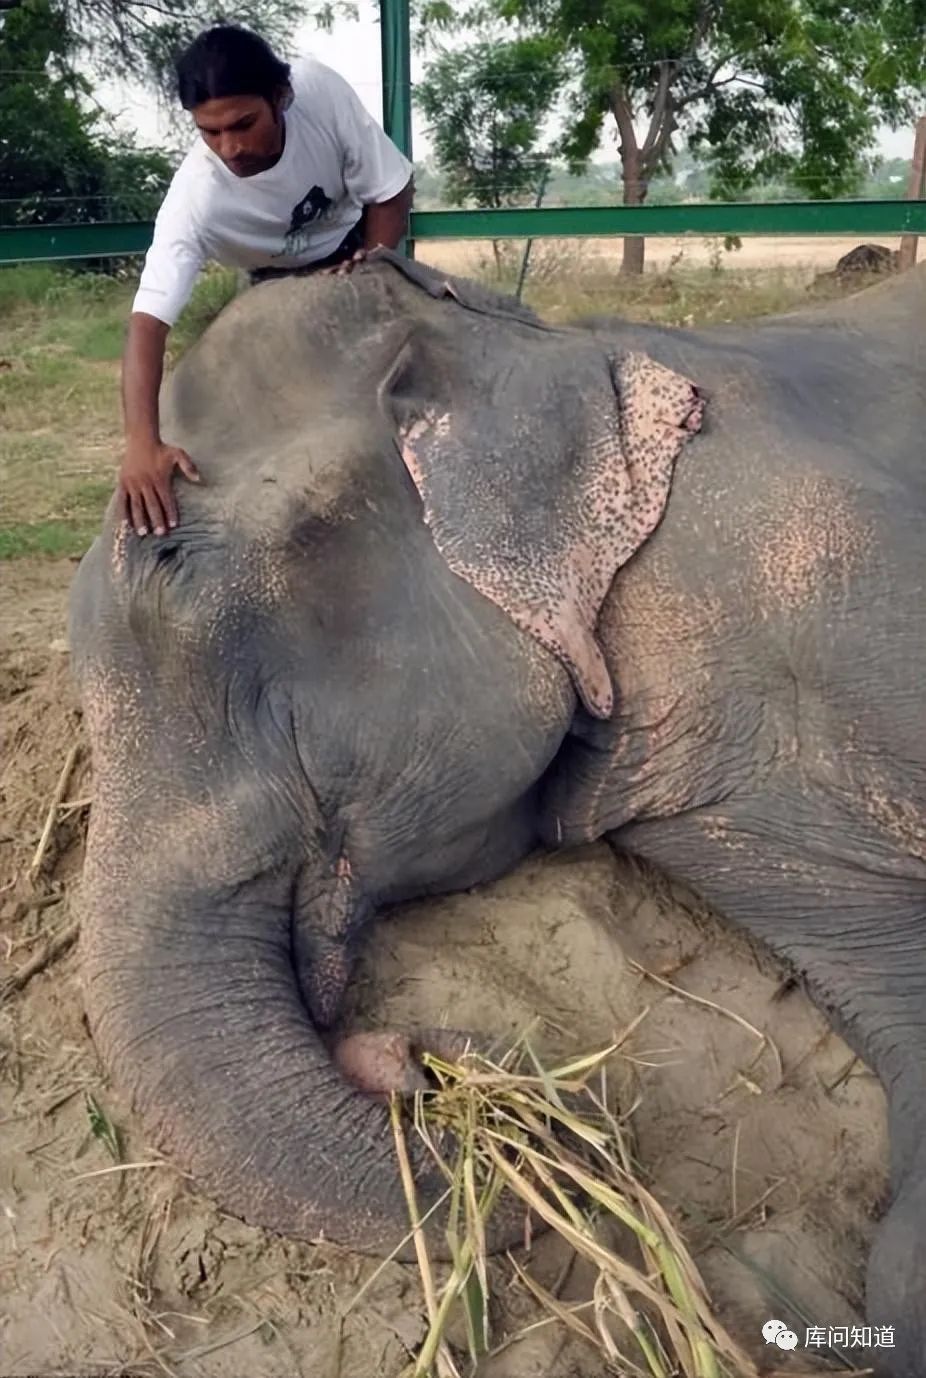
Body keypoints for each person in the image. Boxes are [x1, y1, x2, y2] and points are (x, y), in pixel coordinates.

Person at [119, 23, 414, 537]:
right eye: (210, 132)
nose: (229, 148)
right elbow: (148, 321)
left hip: (355, 253)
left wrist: (374, 267)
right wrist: (142, 444)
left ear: (282, 96)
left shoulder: (320, 93)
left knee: (398, 395)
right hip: (268, 284)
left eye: (242, 124)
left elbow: (390, 189)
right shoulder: (196, 200)